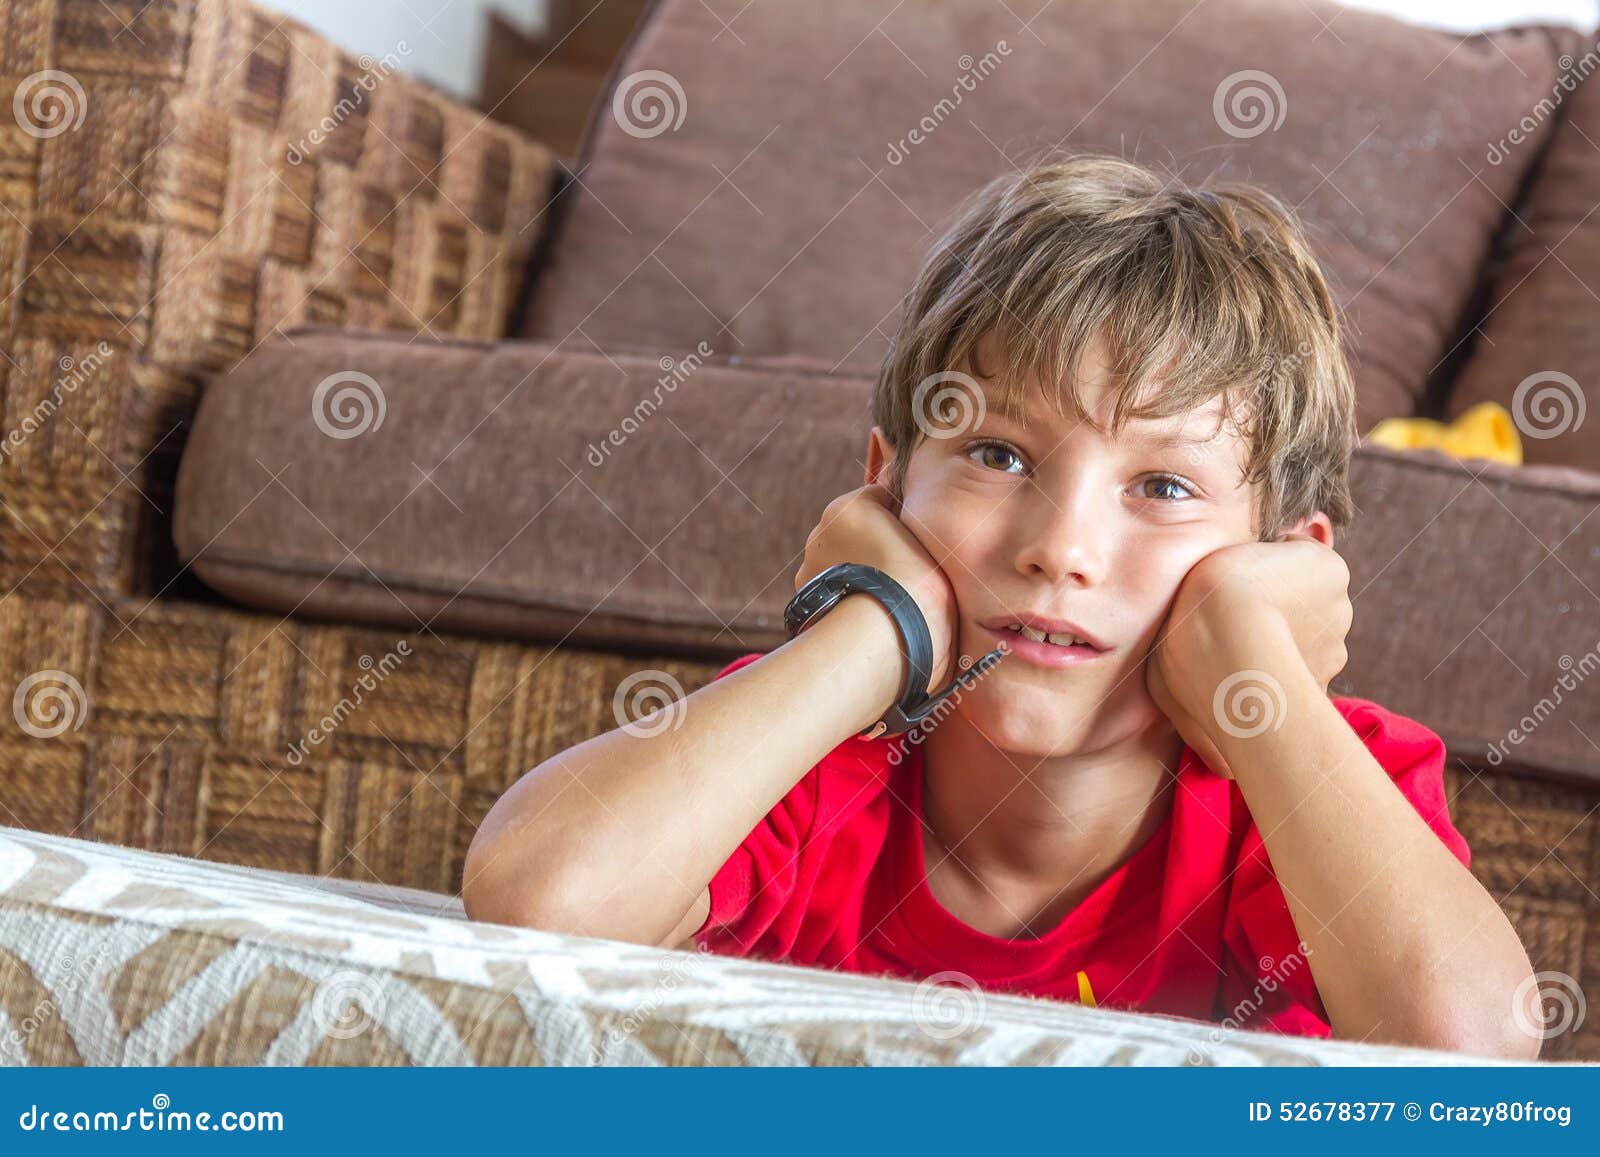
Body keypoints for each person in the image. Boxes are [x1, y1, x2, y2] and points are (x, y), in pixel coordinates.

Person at [463, 154, 1537, 1057]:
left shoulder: (1312, 790)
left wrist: (1264, 672)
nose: (1058, 548)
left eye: (1162, 487)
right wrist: (872, 623)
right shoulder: (814, 750)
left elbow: (1469, 1055)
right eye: (996, 453)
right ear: (885, 489)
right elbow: (539, 903)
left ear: (1278, 565)